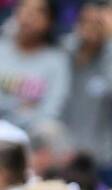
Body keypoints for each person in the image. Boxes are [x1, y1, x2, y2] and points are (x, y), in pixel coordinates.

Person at [62, 1, 112, 187]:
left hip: (103, 155)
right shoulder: (66, 50)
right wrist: (81, 52)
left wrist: (107, 44)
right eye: (85, 22)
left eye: (97, 23)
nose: (90, 28)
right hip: (65, 153)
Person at [0, 0, 70, 135]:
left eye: (39, 11)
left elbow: (51, 111)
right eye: (25, 7)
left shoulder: (56, 61)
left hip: (31, 140)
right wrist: (19, 109)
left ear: (50, 21)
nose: (30, 15)